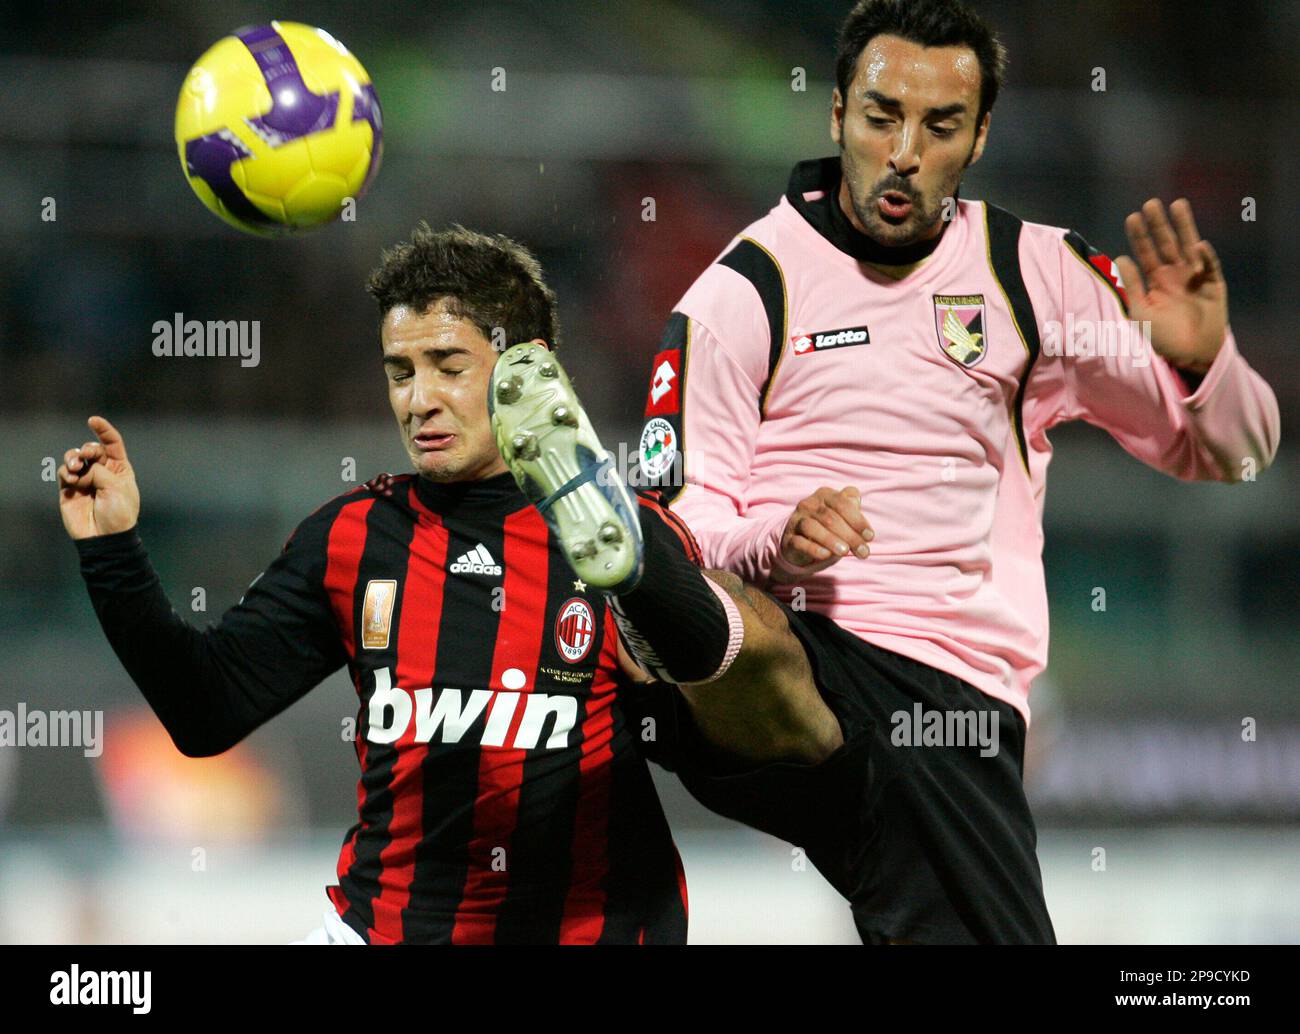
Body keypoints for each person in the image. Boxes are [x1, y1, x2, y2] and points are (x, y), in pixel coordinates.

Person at [504, 0, 1281, 944]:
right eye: (881, 117)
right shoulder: (743, 291)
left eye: (940, 125)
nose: (905, 150)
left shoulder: (1035, 275)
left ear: (980, 135)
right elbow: (691, 510)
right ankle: (634, 589)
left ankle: (648, 603)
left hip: (941, 695)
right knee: (731, 618)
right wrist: (778, 539)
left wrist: (1206, 367)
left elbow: (1238, 454)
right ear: (836, 114)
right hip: (792, 630)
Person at [58, 224, 690, 945]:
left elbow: (726, 746)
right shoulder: (355, 537)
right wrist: (111, 550)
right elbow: (205, 711)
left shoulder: (622, 540)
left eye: (447, 364)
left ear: (529, 368)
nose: (417, 400)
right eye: (399, 371)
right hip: (381, 930)